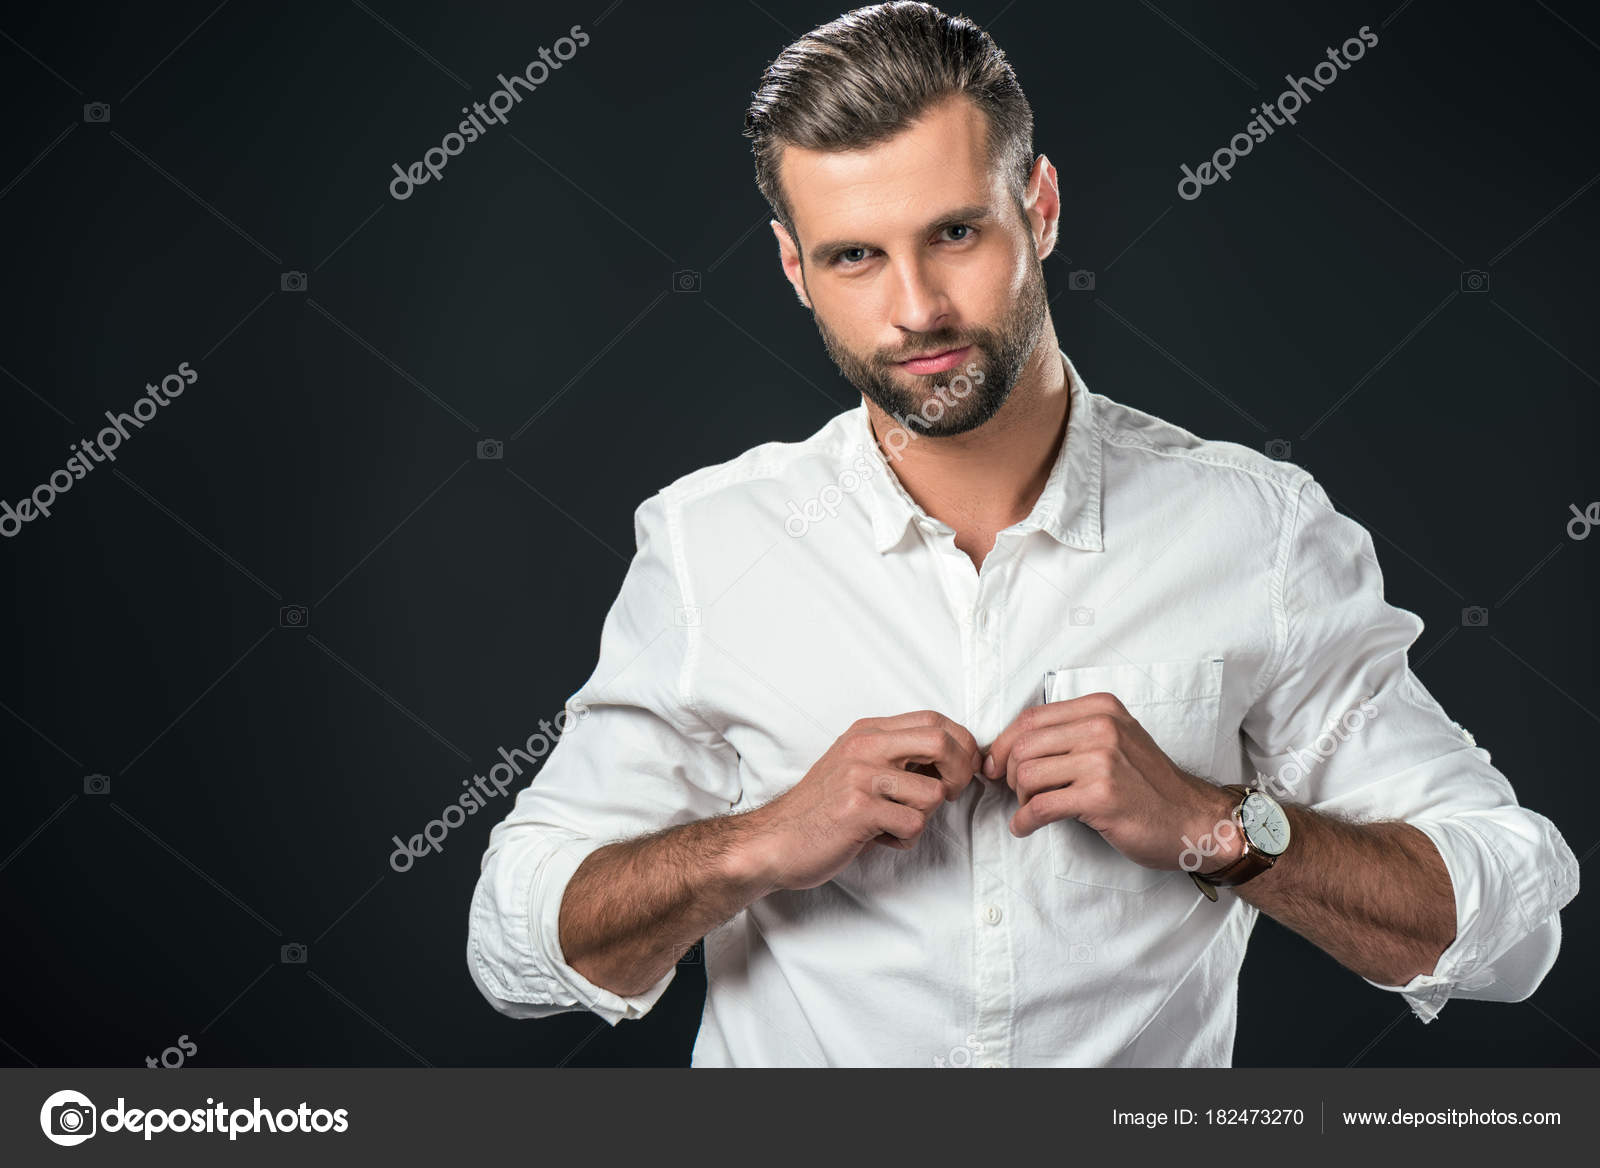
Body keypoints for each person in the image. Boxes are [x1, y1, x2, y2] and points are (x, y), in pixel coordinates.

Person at [466, 2, 1578, 1066]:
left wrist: (1216, 824)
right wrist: (759, 842)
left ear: (1039, 207)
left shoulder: (1256, 531)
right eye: (854, 256)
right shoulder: (712, 545)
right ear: (793, 269)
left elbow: (1509, 928)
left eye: (954, 232)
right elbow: (510, 947)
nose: (915, 309)